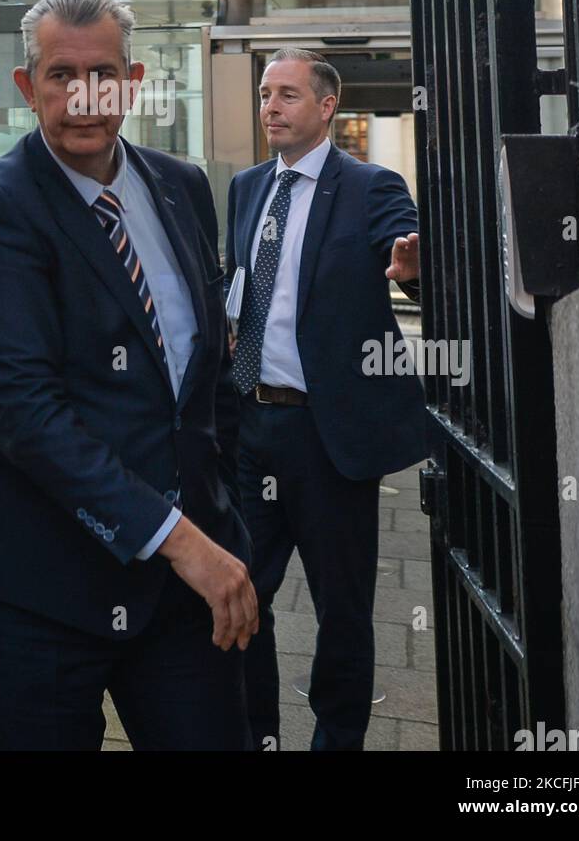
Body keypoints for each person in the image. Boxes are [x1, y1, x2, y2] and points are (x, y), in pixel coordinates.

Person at [0, 0, 257, 751]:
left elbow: (202, 371)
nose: (82, 98)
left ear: (131, 80)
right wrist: (181, 539)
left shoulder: (181, 187)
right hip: (30, 585)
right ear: (26, 86)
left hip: (179, 586)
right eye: (59, 76)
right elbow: (22, 411)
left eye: (101, 74)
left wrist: (222, 514)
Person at [225, 47, 425, 751]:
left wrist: (409, 268)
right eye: (263, 93)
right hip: (252, 426)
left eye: (285, 95)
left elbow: (410, 258)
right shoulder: (247, 188)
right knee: (240, 591)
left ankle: (335, 740)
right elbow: (245, 286)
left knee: (342, 610)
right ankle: (254, 735)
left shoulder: (370, 186)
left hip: (327, 437)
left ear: (326, 107)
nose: (270, 107)